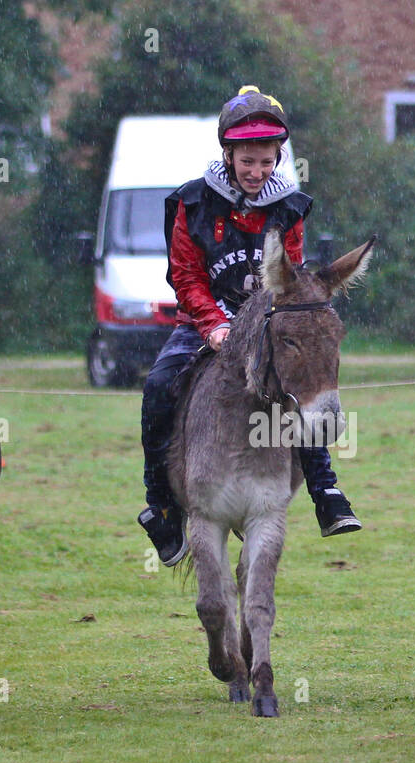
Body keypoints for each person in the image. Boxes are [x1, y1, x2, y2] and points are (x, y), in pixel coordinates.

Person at [137, 86, 361, 565]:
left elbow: (291, 280)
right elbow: (186, 274)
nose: (258, 172)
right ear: (228, 154)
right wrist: (214, 325)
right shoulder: (192, 203)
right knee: (158, 386)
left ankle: (325, 490)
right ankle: (160, 506)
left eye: (267, 162)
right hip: (205, 323)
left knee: (301, 385)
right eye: (248, 162)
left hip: (267, 324)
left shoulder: (291, 206)